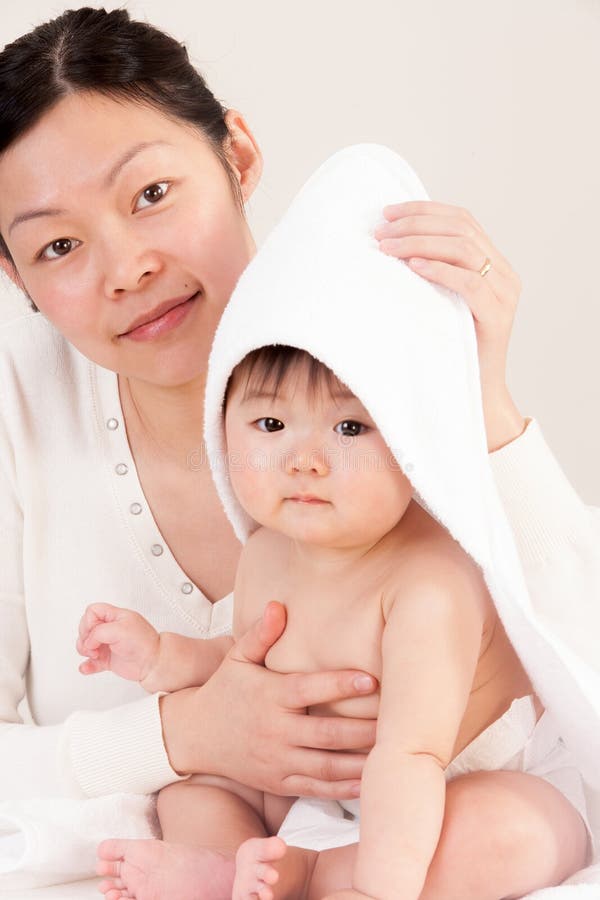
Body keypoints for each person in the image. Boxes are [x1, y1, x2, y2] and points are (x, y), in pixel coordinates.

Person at [0, 6, 597, 897]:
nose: (126, 268)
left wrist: (484, 403)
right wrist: (185, 735)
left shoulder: (379, 357)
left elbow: (579, 673)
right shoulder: (17, 406)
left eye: (152, 194)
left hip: (415, 825)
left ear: (237, 157)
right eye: (58, 245)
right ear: (17, 278)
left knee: (529, 827)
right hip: (220, 834)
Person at [76, 341, 591, 900]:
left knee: (523, 833)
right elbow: (250, 659)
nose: (305, 460)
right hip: (325, 784)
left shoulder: (431, 584)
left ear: (418, 443)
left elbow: (412, 755)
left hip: (448, 782)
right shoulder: (268, 551)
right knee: (192, 789)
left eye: (350, 429)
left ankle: (317, 876)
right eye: (270, 423)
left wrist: (378, 889)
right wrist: (163, 657)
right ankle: (226, 867)